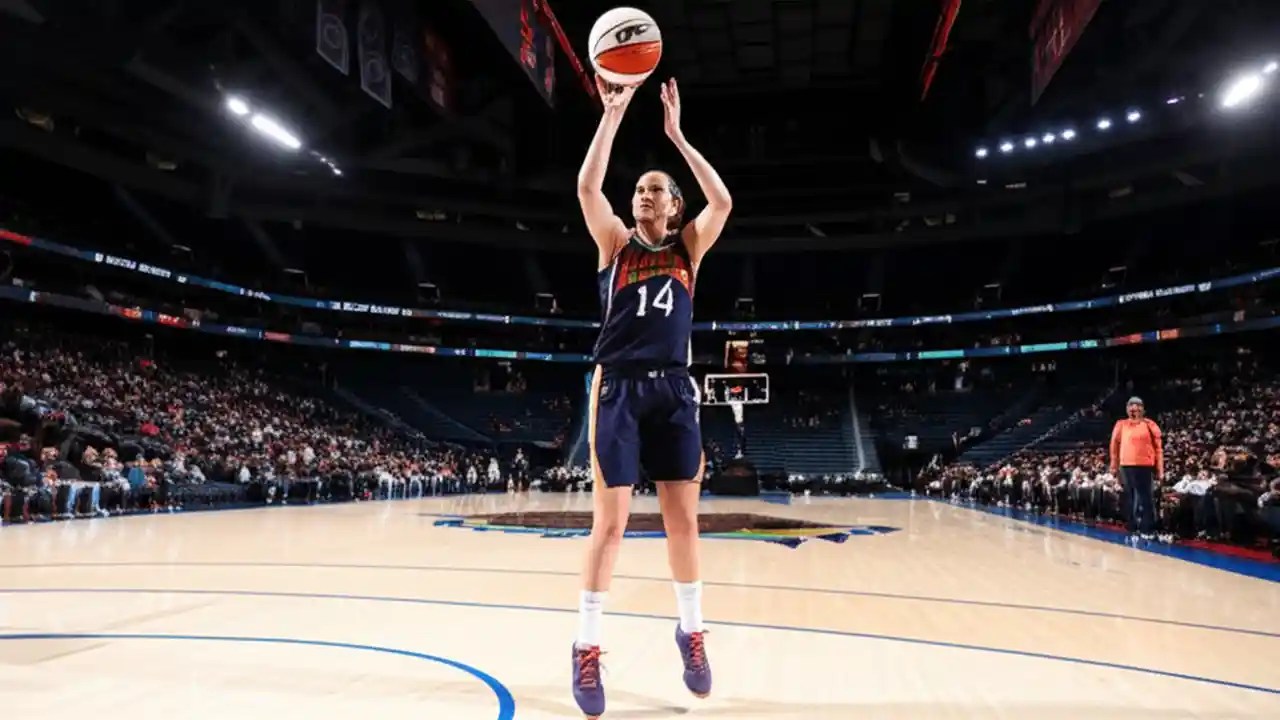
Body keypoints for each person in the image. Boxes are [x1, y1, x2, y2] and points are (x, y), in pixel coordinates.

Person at [571, 74, 732, 719]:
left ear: (672, 206)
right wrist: (612, 117)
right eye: (638, 189)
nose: (642, 196)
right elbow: (587, 187)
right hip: (617, 389)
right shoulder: (614, 244)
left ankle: (690, 631)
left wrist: (677, 136)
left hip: (673, 390)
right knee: (608, 526)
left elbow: (722, 201)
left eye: (655, 191)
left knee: (682, 521)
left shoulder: (691, 247)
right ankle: (585, 645)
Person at [1109, 396, 1164, 542]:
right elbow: (1114, 447)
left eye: (1137, 405)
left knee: (1146, 498)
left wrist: (1160, 469)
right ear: (1127, 409)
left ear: (1143, 409)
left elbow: (1159, 448)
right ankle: (1133, 527)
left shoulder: (1150, 424)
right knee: (1130, 497)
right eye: (1131, 406)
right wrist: (1114, 466)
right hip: (1126, 465)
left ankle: (1148, 528)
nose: (1134, 409)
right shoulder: (1120, 424)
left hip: (1145, 465)